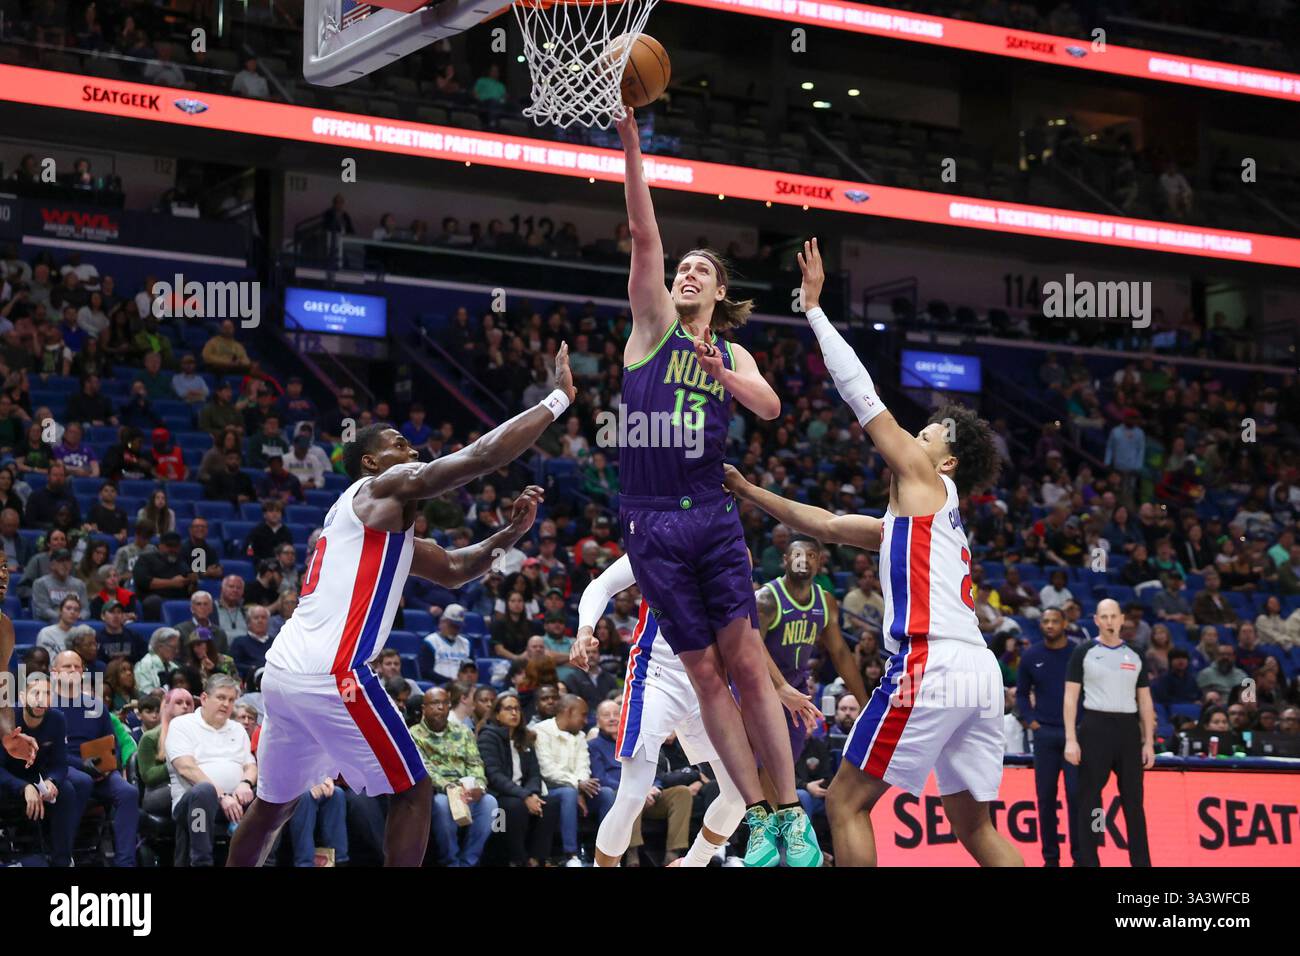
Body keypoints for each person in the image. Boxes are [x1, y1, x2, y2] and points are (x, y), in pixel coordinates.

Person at [725, 237, 1020, 868]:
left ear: (946, 460)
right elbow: (826, 525)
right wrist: (751, 491)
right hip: (979, 674)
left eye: (926, 434)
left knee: (845, 804)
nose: (914, 435)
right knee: (977, 831)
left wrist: (813, 311)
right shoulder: (917, 523)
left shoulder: (927, 480)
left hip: (930, 664)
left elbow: (863, 396)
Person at [225, 348, 573, 868]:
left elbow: (457, 569)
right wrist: (557, 400)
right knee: (414, 790)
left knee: (274, 806)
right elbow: (480, 458)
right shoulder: (376, 489)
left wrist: (513, 532)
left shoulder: (383, 530)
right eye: (398, 444)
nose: (411, 449)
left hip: (283, 673)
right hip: (332, 671)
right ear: (370, 462)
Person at [614, 110, 819, 867]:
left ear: (722, 288)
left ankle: (791, 813)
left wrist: (720, 371)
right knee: (703, 672)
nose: (687, 270)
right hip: (650, 521)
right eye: (682, 265)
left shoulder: (731, 350)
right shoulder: (650, 325)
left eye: (703, 267)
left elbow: (767, 406)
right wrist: (631, 137)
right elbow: (643, 233)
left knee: (745, 660)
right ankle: (759, 816)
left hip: (713, 515)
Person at [570, 554, 747, 867]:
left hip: (710, 682)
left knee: (739, 795)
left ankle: (692, 863)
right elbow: (602, 586)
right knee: (632, 796)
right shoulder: (654, 539)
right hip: (656, 676)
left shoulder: (732, 548)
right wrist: (585, 629)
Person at [755, 538, 871, 799]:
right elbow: (752, 650)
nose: (802, 559)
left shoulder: (825, 601)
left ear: (819, 562)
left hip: (796, 689)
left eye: (810, 555)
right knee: (757, 767)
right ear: (785, 561)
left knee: (781, 769)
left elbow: (840, 651)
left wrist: (864, 701)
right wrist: (780, 687)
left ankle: (768, 831)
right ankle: (756, 832)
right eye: (796, 554)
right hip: (758, 689)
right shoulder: (766, 599)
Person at [1064, 599, 1154, 867]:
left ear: (1122, 618)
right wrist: (1071, 738)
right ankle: (1089, 862)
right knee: (1091, 799)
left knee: (1134, 802)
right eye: (1104, 616)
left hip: (1128, 729)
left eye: (1114, 616)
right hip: (1095, 727)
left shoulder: (1136, 654)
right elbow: (1070, 698)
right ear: (1096, 620)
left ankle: (1141, 863)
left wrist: (1148, 742)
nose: (1110, 621)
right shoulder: (1084, 652)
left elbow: (1145, 701)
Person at [51, 650, 139, 866]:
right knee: (82, 781)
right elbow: (50, 751)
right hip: (64, 766)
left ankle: (125, 862)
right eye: (67, 667)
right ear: (54, 674)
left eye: (77, 667)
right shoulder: (47, 705)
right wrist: (82, 766)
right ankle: (63, 856)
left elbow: (112, 742)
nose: (73, 671)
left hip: (98, 768)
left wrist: (109, 766)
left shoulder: (96, 705)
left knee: (128, 792)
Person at [165, 674, 257, 866]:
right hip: (193, 803)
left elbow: (250, 765)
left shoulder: (237, 729)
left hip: (236, 800)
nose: (226, 704)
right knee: (203, 792)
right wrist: (222, 796)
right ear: (205, 698)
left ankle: (263, 861)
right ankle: (202, 862)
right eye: (221, 698)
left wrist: (245, 783)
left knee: (267, 795)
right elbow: (186, 768)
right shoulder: (182, 725)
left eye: (231, 700)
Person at [1014, 607, 1081, 867]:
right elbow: (1021, 693)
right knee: (1045, 798)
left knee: (1077, 796)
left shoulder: (1077, 653)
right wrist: (1031, 721)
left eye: (1055, 621)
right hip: (1045, 735)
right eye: (1045, 621)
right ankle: (1050, 859)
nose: (1050, 625)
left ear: (1065, 623)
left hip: (1074, 734)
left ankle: (1079, 857)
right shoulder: (1031, 655)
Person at [410, 686, 498, 867]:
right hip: (438, 791)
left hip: (466, 790)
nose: (440, 707)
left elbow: (475, 763)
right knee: (442, 805)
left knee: (490, 803)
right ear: (423, 708)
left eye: (444, 703)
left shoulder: (463, 732)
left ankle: (468, 861)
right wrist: (449, 787)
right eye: (435, 703)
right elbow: (424, 769)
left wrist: (478, 787)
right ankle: (450, 861)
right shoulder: (414, 735)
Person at [0, 671, 79, 865]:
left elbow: (60, 763)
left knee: (66, 790)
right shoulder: (7, 720)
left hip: (38, 778)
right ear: (21, 696)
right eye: (35, 693)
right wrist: (23, 787)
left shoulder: (57, 719)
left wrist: (52, 781)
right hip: (8, 780)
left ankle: (62, 859)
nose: (41, 699)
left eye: (47, 693)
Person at [477, 694, 562, 866]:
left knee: (550, 803)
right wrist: (525, 796)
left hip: (523, 792)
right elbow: (494, 776)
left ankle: (537, 858)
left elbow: (534, 774)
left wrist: (532, 794)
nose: (514, 713)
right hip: (499, 794)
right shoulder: (488, 736)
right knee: (515, 807)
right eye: (508, 709)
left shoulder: (525, 737)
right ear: (497, 714)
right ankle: (519, 859)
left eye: (517, 709)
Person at [418, 603, 471, 683]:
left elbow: (472, 669)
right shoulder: (430, 641)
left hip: (463, 687)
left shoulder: (466, 643)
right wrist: (450, 681)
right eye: (453, 626)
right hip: (438, 686)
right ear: (442, 622)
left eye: (458, 627)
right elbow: (425, 671)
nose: (455, 630)